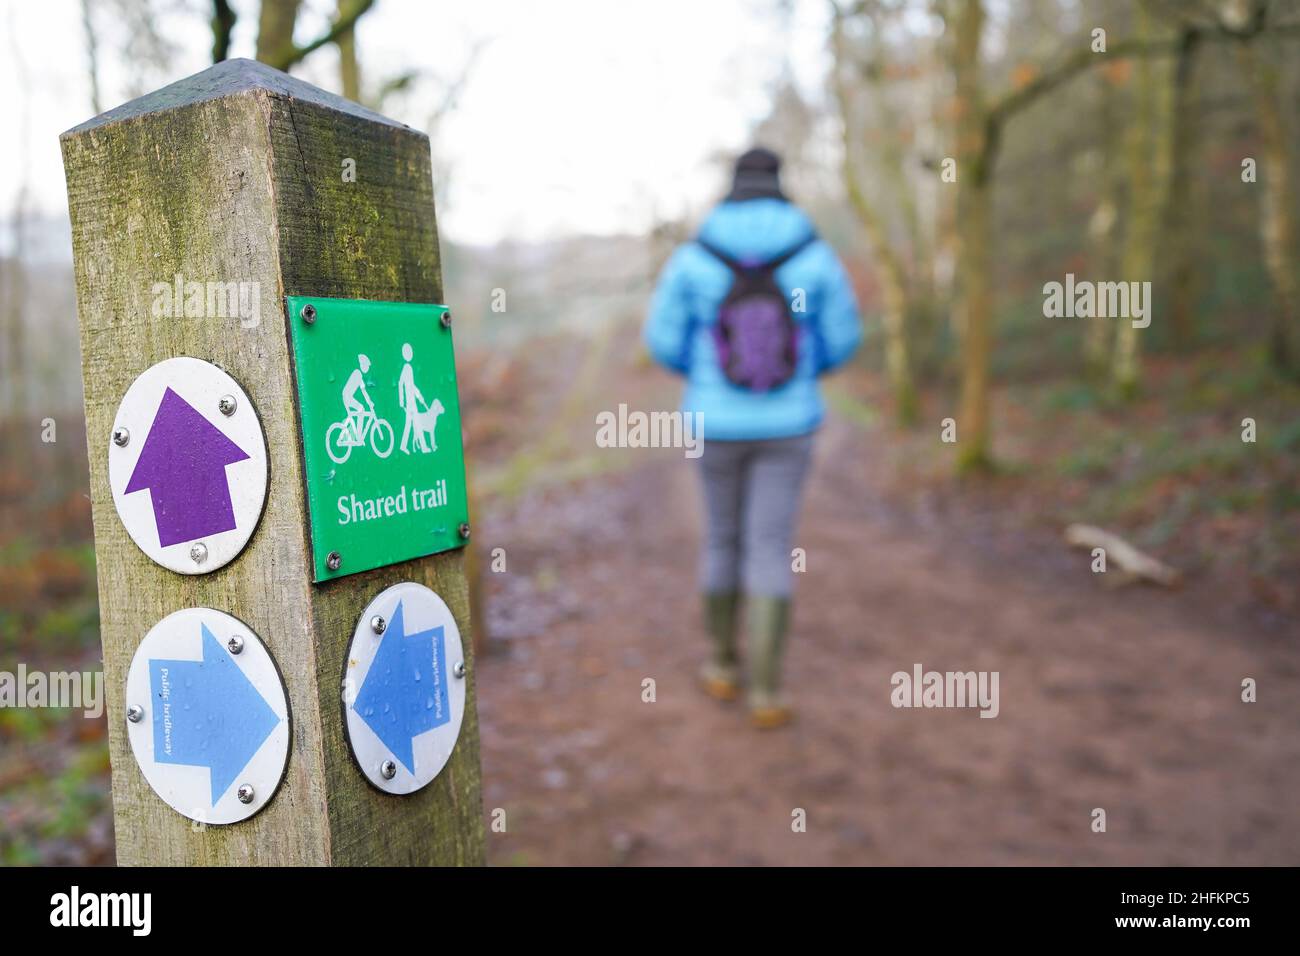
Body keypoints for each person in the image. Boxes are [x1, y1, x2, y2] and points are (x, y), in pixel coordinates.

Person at [643, 147, 863, 728]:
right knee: (769, 546)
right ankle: (767, 693)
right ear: (780, 185)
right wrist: (808, 367)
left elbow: (662, 343)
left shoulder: (694, 257)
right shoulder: (813, 255)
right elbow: (844, 340)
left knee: (721, 539)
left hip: (714, 424)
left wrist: (704, 371)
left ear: (733, 187)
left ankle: (722, 665)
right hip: (790, 425)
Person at [398, 342, 430, 454]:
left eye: (410, 352)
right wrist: (401, 401)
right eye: (408, 352)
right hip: (409, 403)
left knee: (412, 424)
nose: (410, 354)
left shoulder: (409, 368)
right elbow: (401, 383)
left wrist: (420, 397)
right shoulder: (406, 368)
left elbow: (412, 386)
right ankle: (423, 447)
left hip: (412, 403)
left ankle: (408, 446)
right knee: (414, 424)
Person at [342, 353, 376, 441]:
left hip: (347, 396)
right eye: (366, 366)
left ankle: (356, 435)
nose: (367, 368)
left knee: (359, 410)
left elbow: (364, 392)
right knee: (361, 408)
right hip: (347, 396)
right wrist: (369, 402)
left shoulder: (359, 376)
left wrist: (369, 402)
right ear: (362, 365)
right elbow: (362, 391)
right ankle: (358, 436)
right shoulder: (357, 373)